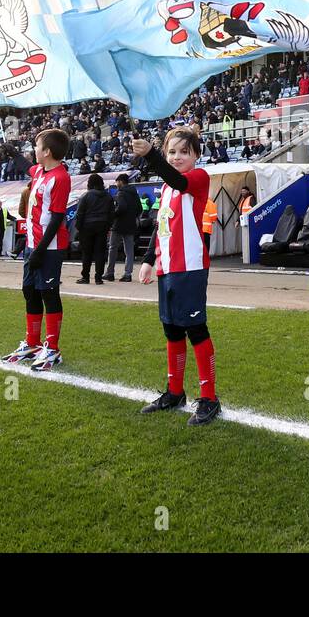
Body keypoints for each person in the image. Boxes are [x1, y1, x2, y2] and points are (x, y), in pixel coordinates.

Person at [132, 126, 221, 426]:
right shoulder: (167, 188)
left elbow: (176, 178)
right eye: (172, 152)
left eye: (185, 151)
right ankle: (175, 392)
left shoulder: (197, 178)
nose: (178, 157)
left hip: (190, 268)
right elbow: (161, 226)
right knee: (171, 329)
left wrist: (152, 156)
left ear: (197, 155)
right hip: (167, 267)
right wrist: (147, 260)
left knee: (195, 328)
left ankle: (209, 398)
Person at [1, 128, 71, 373]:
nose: (34, 150)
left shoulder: (60, 178)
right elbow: (25, 165)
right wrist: (12, 153)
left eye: (37, 146)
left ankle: (52, 348)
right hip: (32, 245)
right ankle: (32, 344)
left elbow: (57, 218)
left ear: (47, 151)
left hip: (48, 247)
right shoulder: (40, 172)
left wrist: (41, 249)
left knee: (48, 293)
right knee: (29, 290)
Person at [75, 173, 112, 284]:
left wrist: (78, 227)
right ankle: (98, 278)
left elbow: (80, 213)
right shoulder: (108, 196)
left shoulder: (86, 196)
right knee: (100, 253)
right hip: (102, 226)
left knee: (87, 253)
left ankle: (85, 277)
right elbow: (111, 214)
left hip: (87, 227)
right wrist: (108, 226)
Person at [104, 174, 140, 282]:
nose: (116, 184)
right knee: (129, 250)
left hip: (119, 224)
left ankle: (110, 273)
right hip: (130, 224)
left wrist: (113, 215)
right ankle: (128, 274)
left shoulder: (120, 193)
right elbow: (140, 208)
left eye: (117, 182)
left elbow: (121, 207)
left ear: (120, 181)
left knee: (112, 248)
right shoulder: (134, 193)